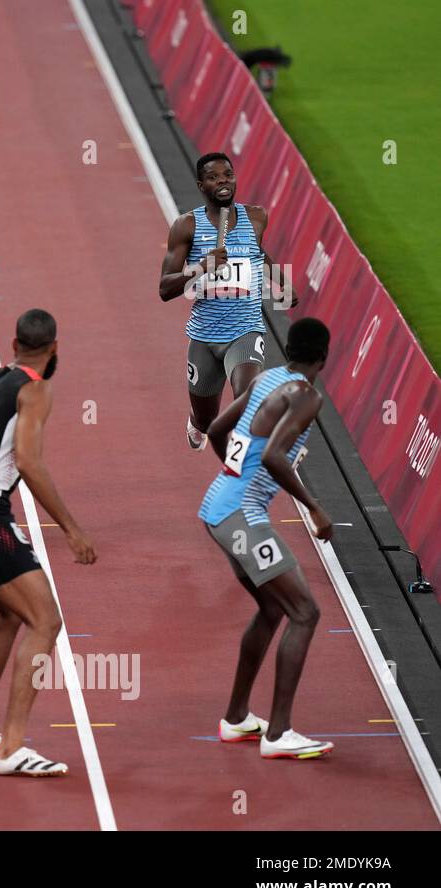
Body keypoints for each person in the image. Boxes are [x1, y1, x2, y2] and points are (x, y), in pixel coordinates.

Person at [0, 309, 96, 777]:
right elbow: (28, 461)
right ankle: (11, 749)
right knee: (46, 622)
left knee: (11, 613)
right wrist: (71, 528)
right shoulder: (36, 389)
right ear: (54, 349)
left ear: (12, 344)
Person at [200, 317, 334, 760]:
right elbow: (276, 455)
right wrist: (314, 505)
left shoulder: (268, 377)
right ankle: (279, 734)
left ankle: (237, 718)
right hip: (239, 514)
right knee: (306, 612)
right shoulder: (306, 396)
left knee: (275, 606)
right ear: (324, 357)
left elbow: (217, 429)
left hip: (220, 505)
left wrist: (234, 476)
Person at [158, 151, 297, 450]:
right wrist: (201, 267)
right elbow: (165, 289)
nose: (222, 182)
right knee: (209, 422)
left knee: (248, 401)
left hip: (245, 331)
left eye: (227, 176)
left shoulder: (257, 216)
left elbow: (257, 253)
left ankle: (239, 474)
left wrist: (281, 281)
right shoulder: (186, 227)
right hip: (204, 337)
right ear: (200, 185)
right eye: (213, 178)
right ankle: (197, 423)